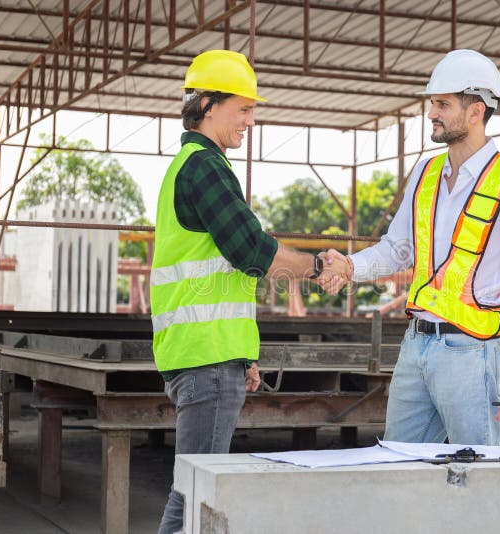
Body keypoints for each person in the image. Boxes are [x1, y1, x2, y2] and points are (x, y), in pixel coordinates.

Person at [321, 49, 500, 446]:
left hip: (472, 354)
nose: (432, 112)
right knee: (398, 463)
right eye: (432, 102)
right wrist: (350, 267)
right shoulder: (425, 172)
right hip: (415, 346)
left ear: (476, 111)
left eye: (443, 104)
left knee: (475, 473)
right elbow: (399, 247)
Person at [150, 49, 335, 534]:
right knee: (194, 497)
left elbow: (222, 276)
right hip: (205, 361)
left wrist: (242, 354)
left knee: (192, 492)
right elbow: (250, 251)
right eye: (245, 108)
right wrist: (318, 267)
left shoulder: (187, 165)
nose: (251, 121)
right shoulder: (205, 168)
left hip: (207, 356)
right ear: (208, 104)